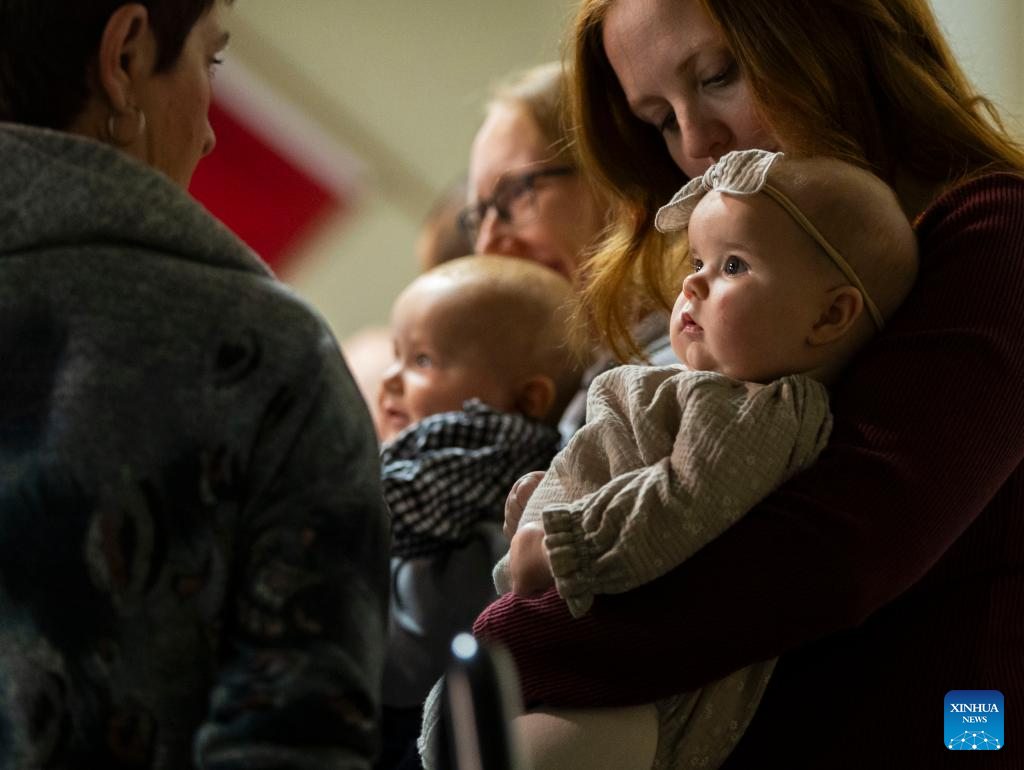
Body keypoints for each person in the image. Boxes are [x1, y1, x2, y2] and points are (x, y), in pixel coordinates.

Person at [471, 0, 1024, 767]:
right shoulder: (736, 298)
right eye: (661, 119)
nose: (697, 143)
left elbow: (840, 549)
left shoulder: (996, 232)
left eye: (718, 76)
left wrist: (515, 644)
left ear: (829, 31)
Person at [419, 149, 917, 769]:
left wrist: (566, 542)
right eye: (697, 261)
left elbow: (683, 502)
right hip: (564, 640)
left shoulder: (764, 411)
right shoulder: (683, 388)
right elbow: (608, 470)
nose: (692, 284)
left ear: (830, 314)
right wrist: (545, 498)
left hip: (633, 697)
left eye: (733, 266)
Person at [0, 2, 390, 768]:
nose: (210, 133)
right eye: (210, 62)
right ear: (124, 57)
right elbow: (293, 745)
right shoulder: (274, 360)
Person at [376, 255, 583, 768]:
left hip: (425, 722)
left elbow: (430, 637)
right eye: (396, 356)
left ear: (527, 399)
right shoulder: (404, 471)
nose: (391, 379)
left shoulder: (510, 500)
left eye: (422, 361)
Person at [462, 61, 679, 440]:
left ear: (613, 173)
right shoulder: (572, 399)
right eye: (479, 217)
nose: (487, 245)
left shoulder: (696, 357)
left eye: (515, 194)